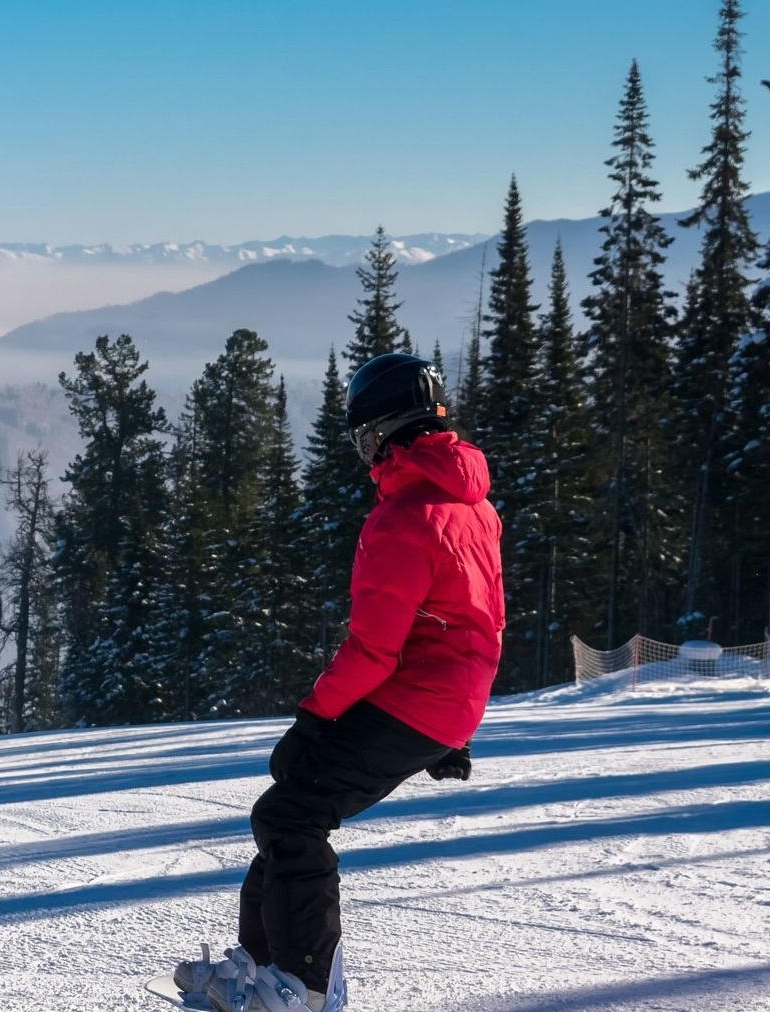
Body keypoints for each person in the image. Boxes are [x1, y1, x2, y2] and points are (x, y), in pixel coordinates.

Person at [175, 352, 505, 1012]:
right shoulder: (475, 507)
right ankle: (266, 968)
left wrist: (313, 720)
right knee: (288, 813)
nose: (364, 454)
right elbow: (482, 615)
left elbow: (373, 650)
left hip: (417, 697)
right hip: (447, 700)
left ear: (386, 433)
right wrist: (456, 727)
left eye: (364, 439)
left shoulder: (403, 518)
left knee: (291, 815)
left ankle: (303, 985)